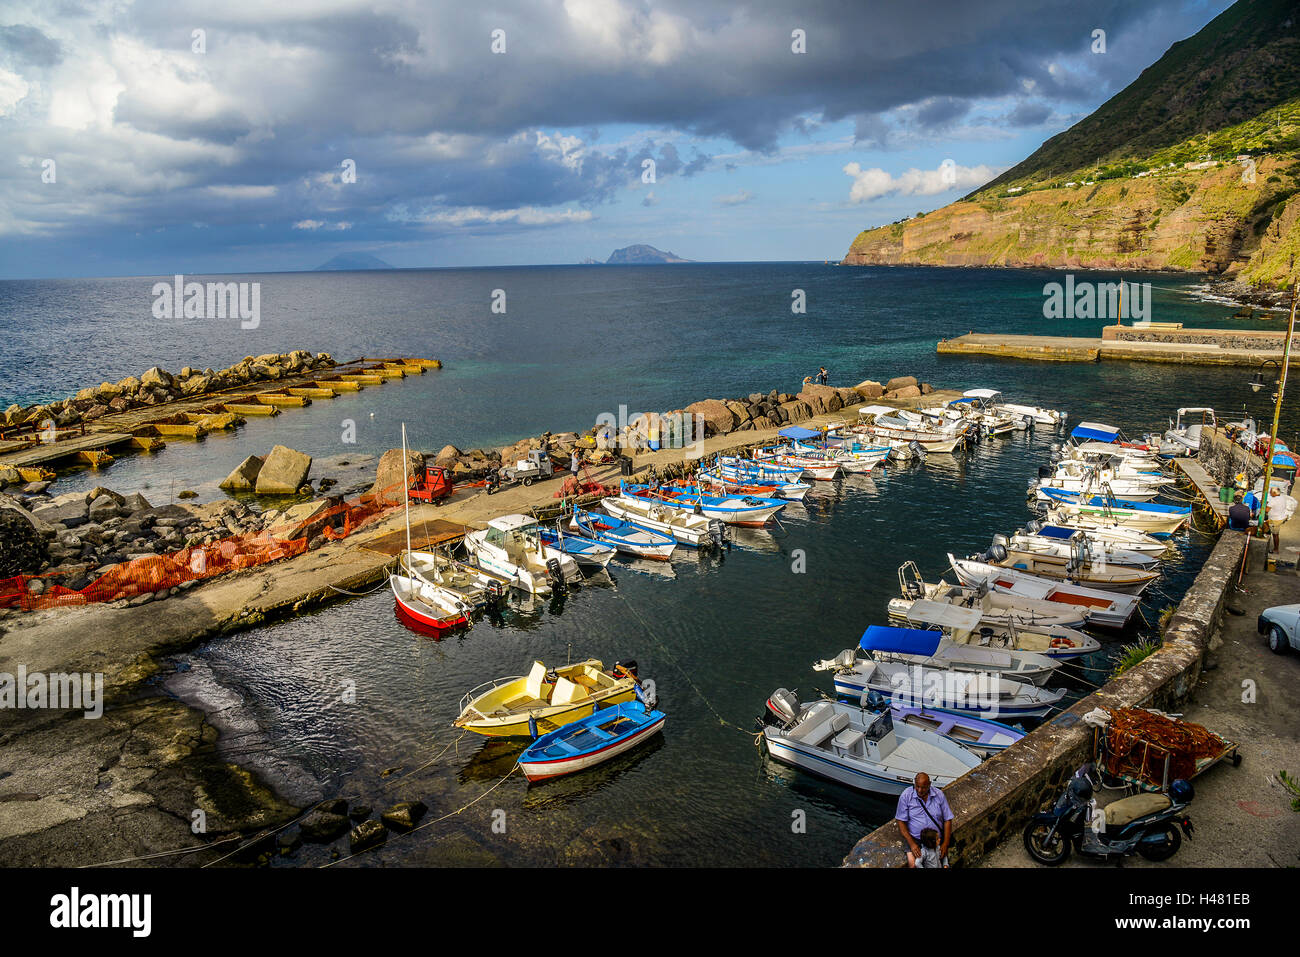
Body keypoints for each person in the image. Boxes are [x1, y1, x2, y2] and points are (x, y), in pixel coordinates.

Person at [896, 772, 952, 868]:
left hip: (935, 838)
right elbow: (901, 821)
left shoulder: (939, 795)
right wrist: (912, 844)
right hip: (915, 838)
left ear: (929, 785)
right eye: (917, 786)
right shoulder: (906, 796)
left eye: (923, 787)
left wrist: (945, 843)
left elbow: (948, 819)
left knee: (941, 861)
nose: (920, 790)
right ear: (914, 783)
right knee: (913, 864)